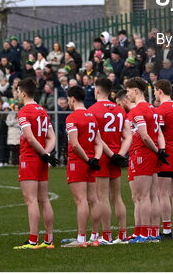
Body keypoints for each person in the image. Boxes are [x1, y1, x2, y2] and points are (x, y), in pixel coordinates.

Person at [12, 79, 57, 250]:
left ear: (23, 93)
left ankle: (32, 241)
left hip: (30, 158)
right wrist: (46, 154)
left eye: (18, 92)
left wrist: (44, 154)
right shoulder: (42, 111)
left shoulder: (24, 111)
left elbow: (30, 138)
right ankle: (49, 239)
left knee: (31, 200)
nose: (17, 94)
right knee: (44, 199)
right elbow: (52, 137)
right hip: (41, 159)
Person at [87, 78, 132, 243]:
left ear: (98, 90)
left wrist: (112, 155)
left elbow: (97, 138)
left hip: (102, 156)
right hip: (116, 156)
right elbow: (128, 136)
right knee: (117, 197)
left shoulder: (92, 110)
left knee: (102, 198)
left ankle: (106, 235)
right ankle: (122, 234)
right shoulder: (119, 110)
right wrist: (120, 154)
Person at [124, 77, 166, 243]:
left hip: (143, 153)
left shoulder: (137, 111)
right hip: (152, 154)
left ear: (136, 91)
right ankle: (152, 232)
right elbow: (159, 134)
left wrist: (156, 150)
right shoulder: (153, 109)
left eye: (128, 91)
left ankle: (144, 233)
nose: (127, 94)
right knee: (152, 195)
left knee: (143, 196)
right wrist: (161, 151)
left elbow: (145, 136)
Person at [63, 85, 104, 247]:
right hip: (91, 160)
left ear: (72, 99)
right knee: (94, 199)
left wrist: (87, 160)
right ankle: (94, 236)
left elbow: (74, 144)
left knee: (81, 200)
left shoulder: (72, 117)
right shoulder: (92, 117)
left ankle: (81, 239)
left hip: (79, 161)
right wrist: (95, 159)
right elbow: (99, 143)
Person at [153, 79, 173, 240]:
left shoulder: (161, 110)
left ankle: (166, 230)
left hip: (168, 152)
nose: (154, 94)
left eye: (154, 91)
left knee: (162, 193)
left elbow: (159, 132)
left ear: (159, 91)